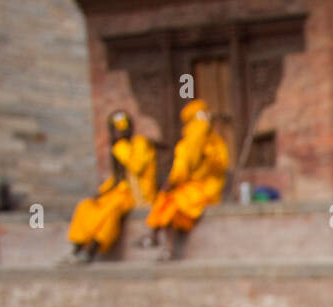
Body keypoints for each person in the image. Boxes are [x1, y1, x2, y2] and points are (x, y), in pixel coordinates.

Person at [141, 99, 229, 259]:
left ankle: (158, 240)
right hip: (189, 188)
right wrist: (171, 183)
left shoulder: (215, 144)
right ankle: (159, 240)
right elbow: (180, 171)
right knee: (167, 201)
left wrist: (207, 155)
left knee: (174, 202)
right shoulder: (187, 144)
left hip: (207, 189)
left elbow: (220, 166)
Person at [64, 111, 156, 263]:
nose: (119, 133)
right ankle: (77, 248)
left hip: (136, 195)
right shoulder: (118, 148)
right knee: (86, 206)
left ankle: (92, 250)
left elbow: (137, 168)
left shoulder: (140, 143)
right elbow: (117, 177)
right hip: (118, 191)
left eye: (122, 129)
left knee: (110, 210)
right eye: (116, 130)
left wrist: (122, 148)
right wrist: (102, 191)